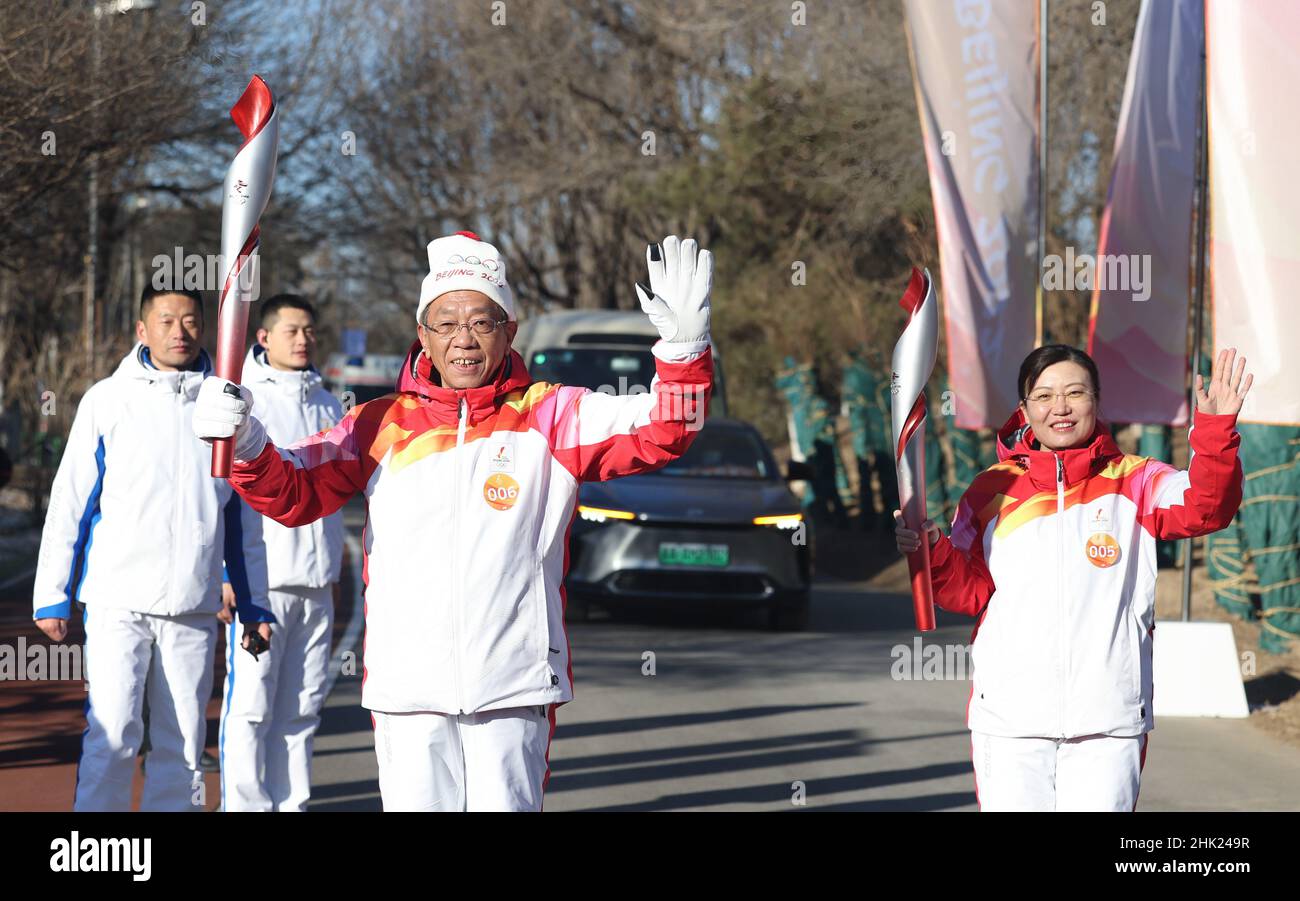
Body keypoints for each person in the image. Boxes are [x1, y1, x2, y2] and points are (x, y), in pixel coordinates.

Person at [193, 231, 713, 811]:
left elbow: (668, 429)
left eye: (482, 322)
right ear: (423, 336)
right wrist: (245, 441)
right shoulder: (377, 425)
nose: (463, 340)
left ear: (509, 330)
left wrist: (685, 351)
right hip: (407, 690)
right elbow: (292, 490)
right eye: (445, 323)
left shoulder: (552, 414)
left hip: (513, 685)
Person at [894, 344, 1251, 812]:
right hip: (1010, 721)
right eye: (1043, 396)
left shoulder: (1137, 481)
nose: (1059, 407)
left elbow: (1208, 507)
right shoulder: (990, 490)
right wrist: (932, 550)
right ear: (1024, 410)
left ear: (1096, 401)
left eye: (1074, 392)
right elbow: (969, 592)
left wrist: (1216, 431)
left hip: (1108, 720)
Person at [32, 285, 271, 811]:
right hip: (118, 598)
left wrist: (254, 602)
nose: (178, 332)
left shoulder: (225, 407)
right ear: (143, 330)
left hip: (192, 603)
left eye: (189, 321)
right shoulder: (107, 400)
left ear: (204, 328)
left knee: (183, 744)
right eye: (166, 321)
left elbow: (241, 518)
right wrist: (52, 593)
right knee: (113, 733)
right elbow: (70, 499)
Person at [218, 294, 345, 812]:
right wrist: (230, 577)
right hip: (262, 586)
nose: (303, 340)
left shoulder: (330, 403)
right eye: (291, 330)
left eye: (310, 331)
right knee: (252, 708)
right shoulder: (243, 402)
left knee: (302, 709)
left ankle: (292, 805)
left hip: (316, 586)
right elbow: (226, 496)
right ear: (263, 337)